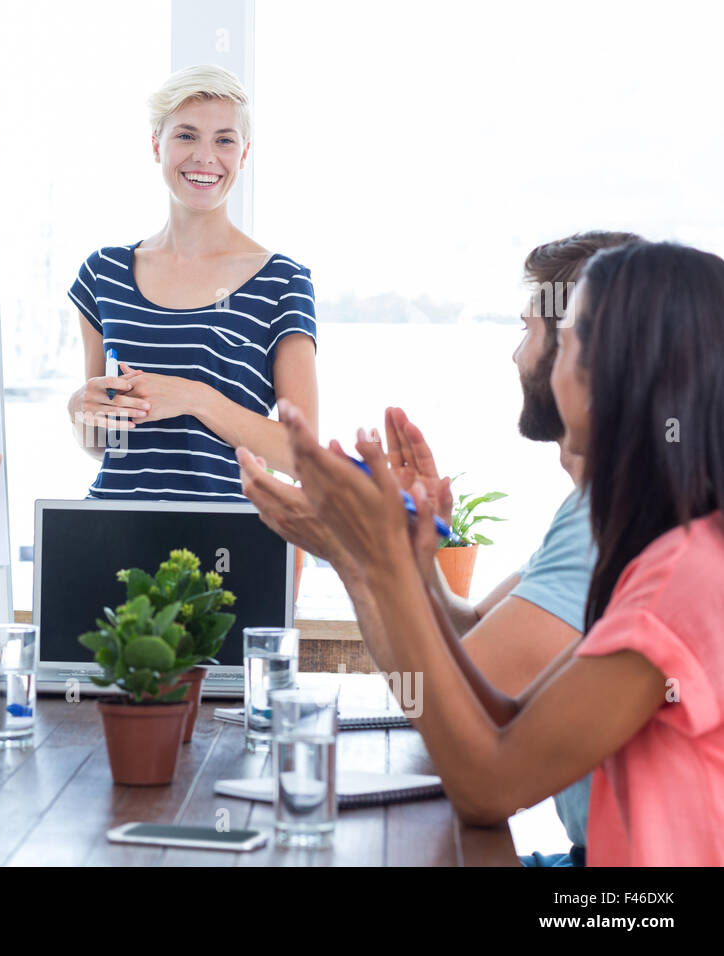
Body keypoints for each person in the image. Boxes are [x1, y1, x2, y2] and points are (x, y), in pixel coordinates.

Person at [266, 240, 724, 866]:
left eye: (570, 340)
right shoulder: (673, 547)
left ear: (613, 375)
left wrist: (375, 561)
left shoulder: (681, 577)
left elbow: (488, 787)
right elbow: (504, 712)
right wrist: (396, 554)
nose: (544, 357)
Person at [65, 64, 318, 500]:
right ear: (156, 146)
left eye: (224, 139)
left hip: (227, 545)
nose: (205, 156)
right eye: (186, 135)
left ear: (243, 153)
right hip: (111, 532)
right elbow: (104, 444)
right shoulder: (103, 273)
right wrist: (79, 411)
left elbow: (303, 460)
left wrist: (195, 398)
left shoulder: (281, 282)